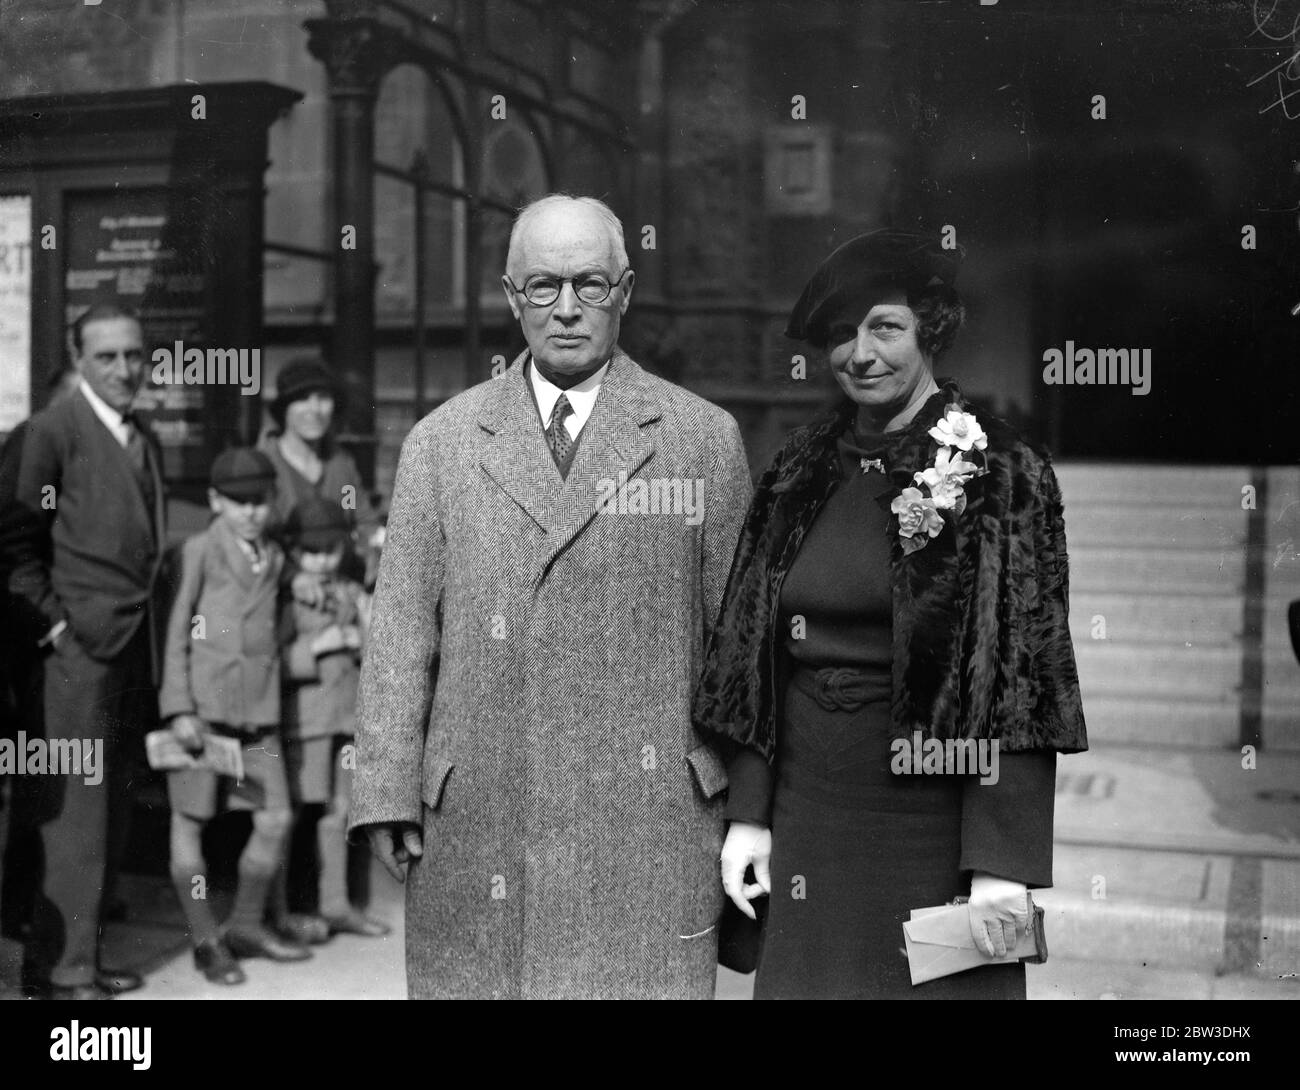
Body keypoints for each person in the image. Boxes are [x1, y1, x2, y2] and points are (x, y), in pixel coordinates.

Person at [350, 193, 753, 999]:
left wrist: (750, 810)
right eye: (542, 287)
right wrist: (388, 789)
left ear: (625, 292)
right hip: (482, 824)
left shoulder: (701, 438)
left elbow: (739, 653)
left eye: (590, 285)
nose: (566, 310)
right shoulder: (442, 442)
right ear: (511, 298)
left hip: (649, 828)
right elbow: (399, 635)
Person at [693, 229, 1088, 999]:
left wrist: (1004, 866)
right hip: (812, 810)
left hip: (931, 823)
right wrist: (750, 815)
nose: (861, 354)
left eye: (885, 327)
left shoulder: (999, 470)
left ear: (930, 330)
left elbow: (1024, 676)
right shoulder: (797, 470)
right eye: (842, 334)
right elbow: (751, 655)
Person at [4, 305, 164, 999]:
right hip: (75, 657)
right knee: (74, 814)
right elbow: (14, 548)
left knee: (113, 810)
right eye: (107, 357)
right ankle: (62, 972)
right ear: (79, 358)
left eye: (135, 355)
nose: (126, 369)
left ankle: (82, 959)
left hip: (130, 651)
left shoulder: (142, 436)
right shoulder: (49, 432)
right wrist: (57, 631)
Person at [158, 448, 311, 985]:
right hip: (202, 714)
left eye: (259, 502)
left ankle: (245, 924)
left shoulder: (273, 555)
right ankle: (205, 939)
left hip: (258, 715)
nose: (250, 512)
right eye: (238, 502)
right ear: (215, 500)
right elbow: (176, 631)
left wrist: (304, 584)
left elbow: (286, 593)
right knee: (190, 823)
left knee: (275, 818)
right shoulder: (200, 550)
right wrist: (178, 706)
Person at [279, 496, 388, 939]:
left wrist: (361, 635)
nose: (322, 561)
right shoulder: (289, 600)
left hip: (347, 720)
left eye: (330, 550)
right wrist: (318, 646)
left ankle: (336, 904)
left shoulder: (348, 592)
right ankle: (288, 910)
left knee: (342, 810)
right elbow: (275, 660)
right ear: (293, 552)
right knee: (302, 813)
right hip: (308, 723)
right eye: (311, 552)